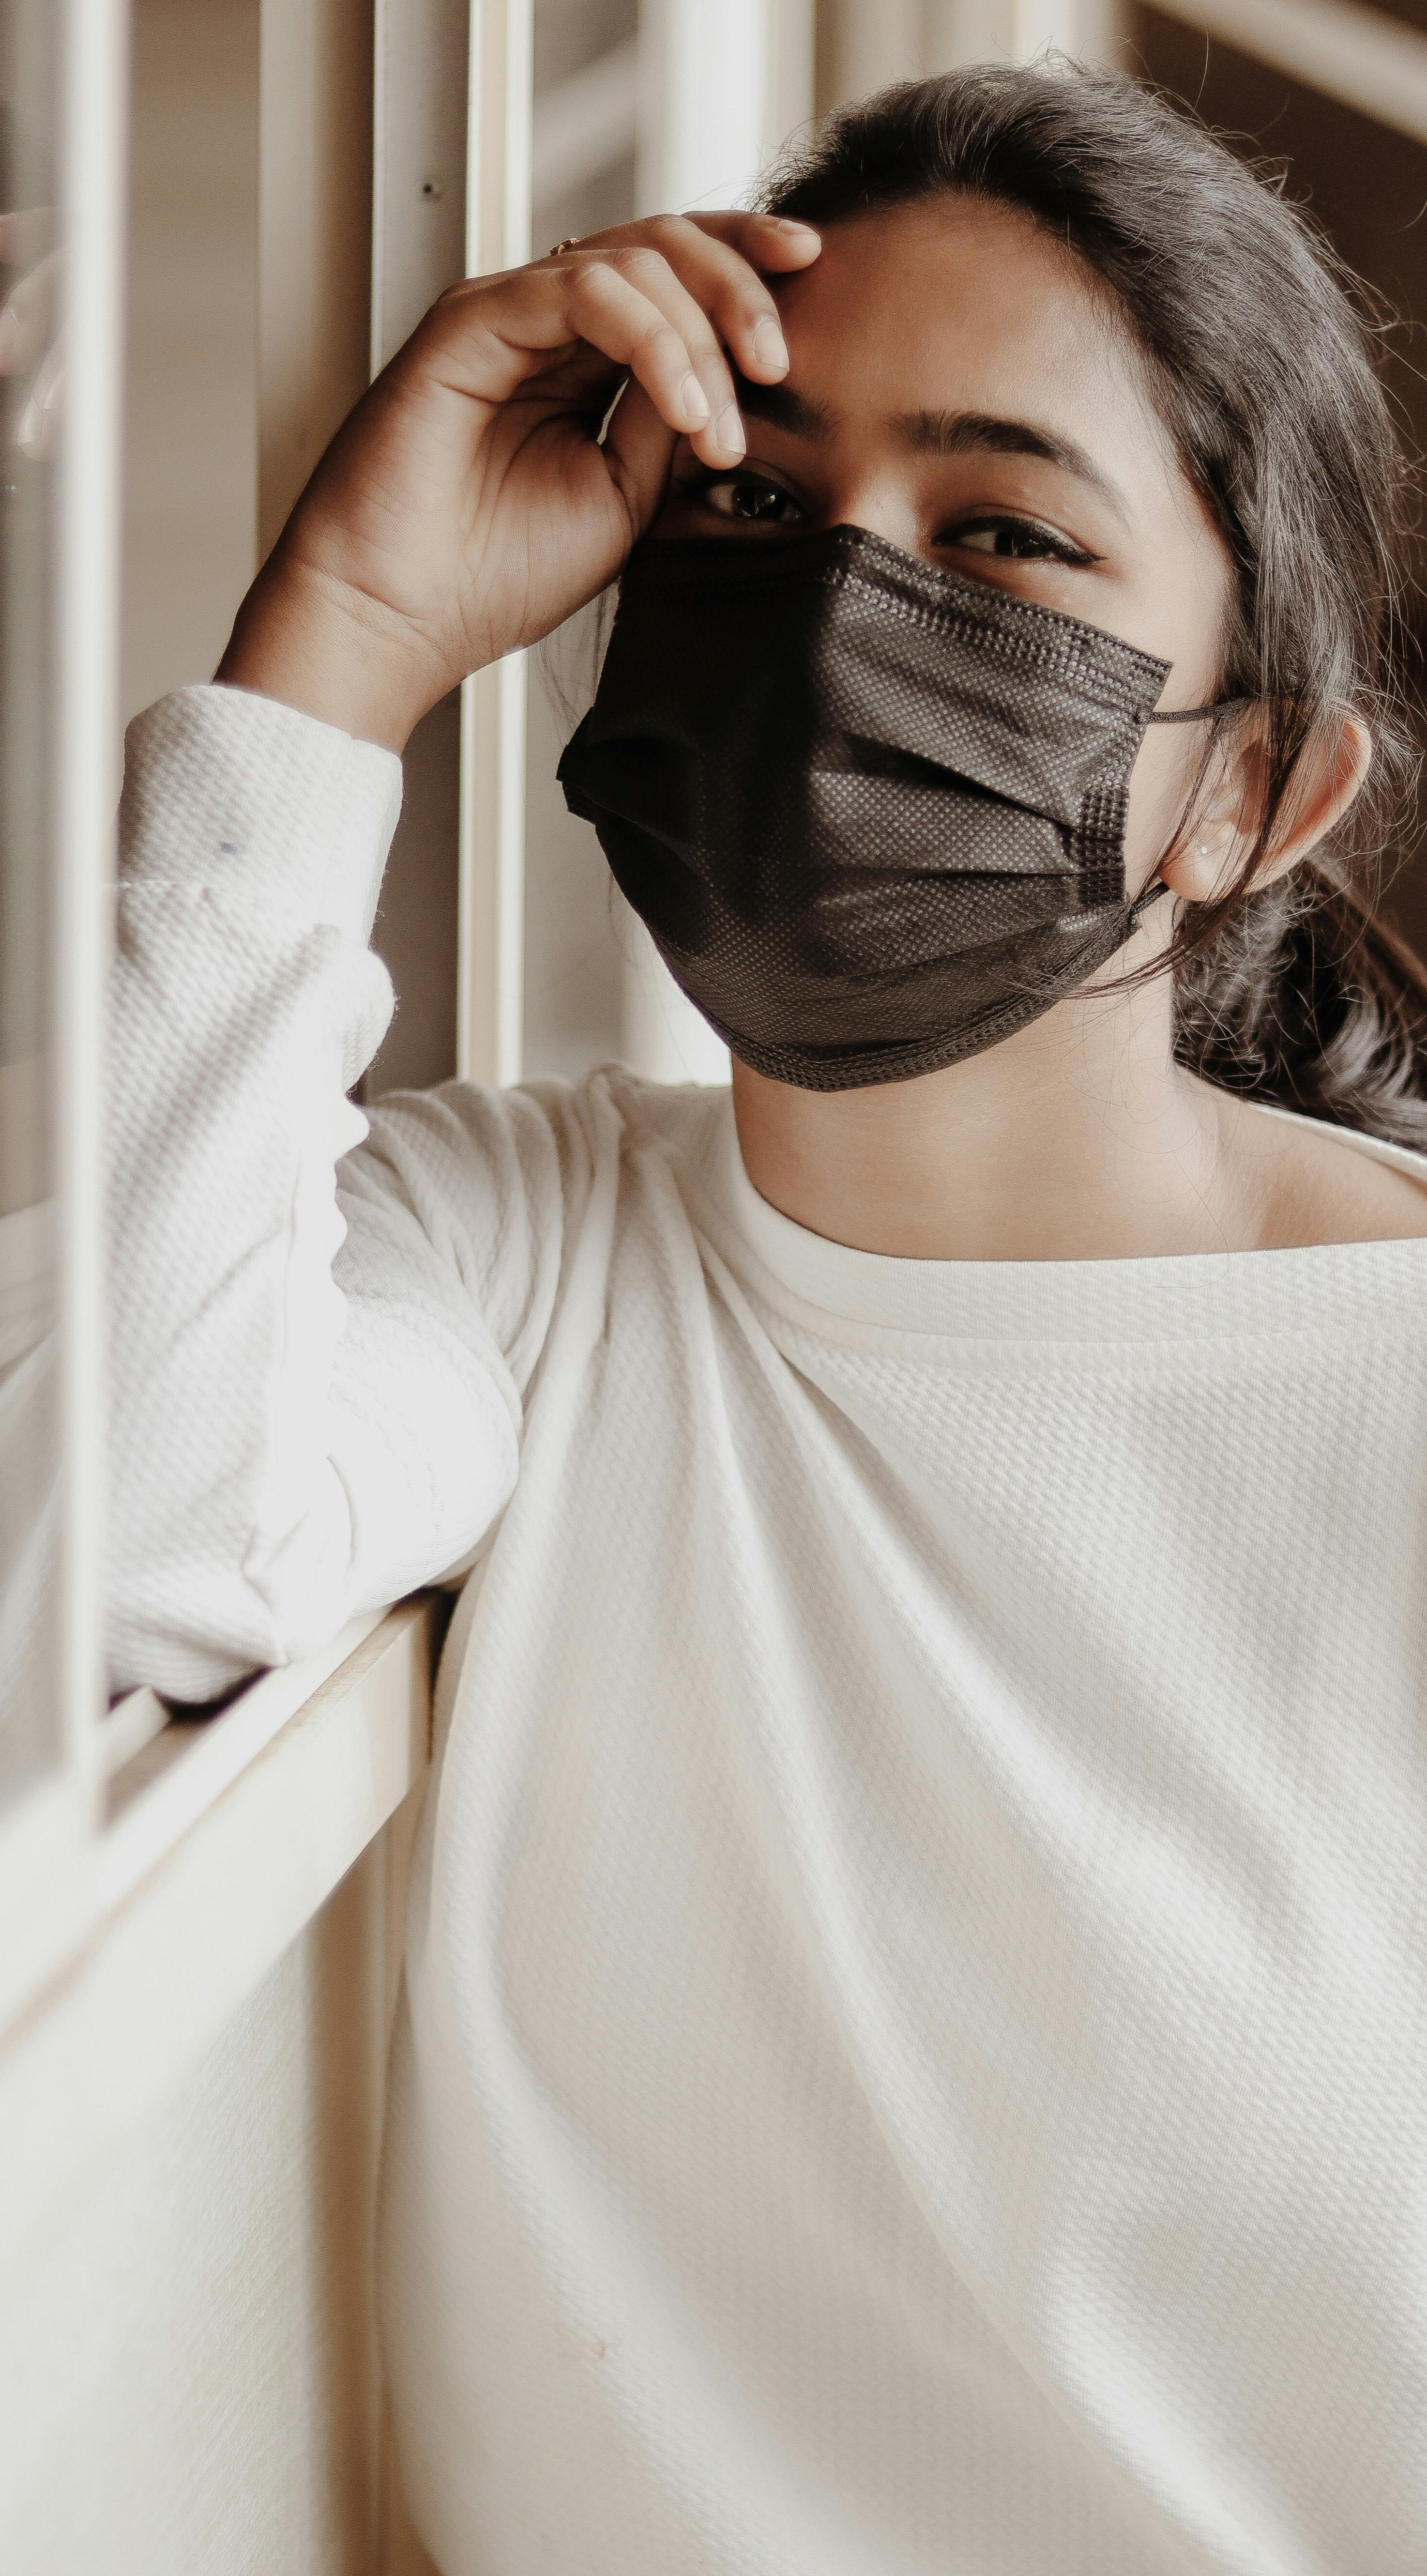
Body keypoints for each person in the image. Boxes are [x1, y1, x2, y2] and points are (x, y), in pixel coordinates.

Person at [109, 60, 1427, 2576]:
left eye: (1000, 535)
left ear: (1250, 791)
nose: (837, 599)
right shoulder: (524, 1243)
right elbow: (132, 1549)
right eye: (755, 496)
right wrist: (339, 649)